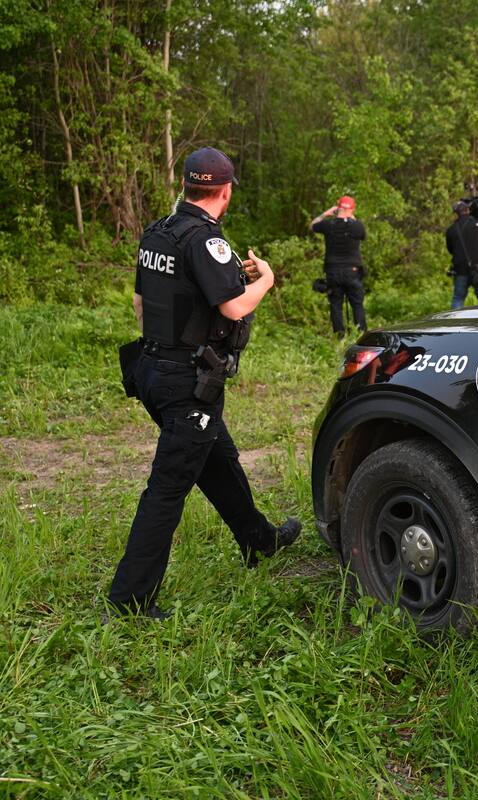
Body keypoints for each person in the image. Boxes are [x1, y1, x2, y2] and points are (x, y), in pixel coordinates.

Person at [108, 146, 301, 620]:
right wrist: (265, 280)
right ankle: (130, 601)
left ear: (187, 185)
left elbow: (141, 304)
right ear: (226, 191)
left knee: (217, 456)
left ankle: (259, 540)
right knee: (167, 488)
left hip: (152, 369)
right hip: (186, 383)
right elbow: (234, 307)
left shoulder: (158, 232)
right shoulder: (204, 239)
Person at [311, 196, 367, 335]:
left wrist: (326, 213)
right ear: (353, 209)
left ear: (337, 208)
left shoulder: (328, 225)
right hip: (352, 271)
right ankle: (361, 335)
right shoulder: (357, 226)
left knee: (335, 305)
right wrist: (350, 215)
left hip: (333, 272)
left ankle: (339, 337)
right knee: (357, 305)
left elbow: (312, 225)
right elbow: (362, 234)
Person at [445, 200, 478, 309]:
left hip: (460, 269)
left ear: (456, 213)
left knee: (458, 298)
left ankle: (456, 319)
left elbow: (450, 249)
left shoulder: (451, 229)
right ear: (468, 210)